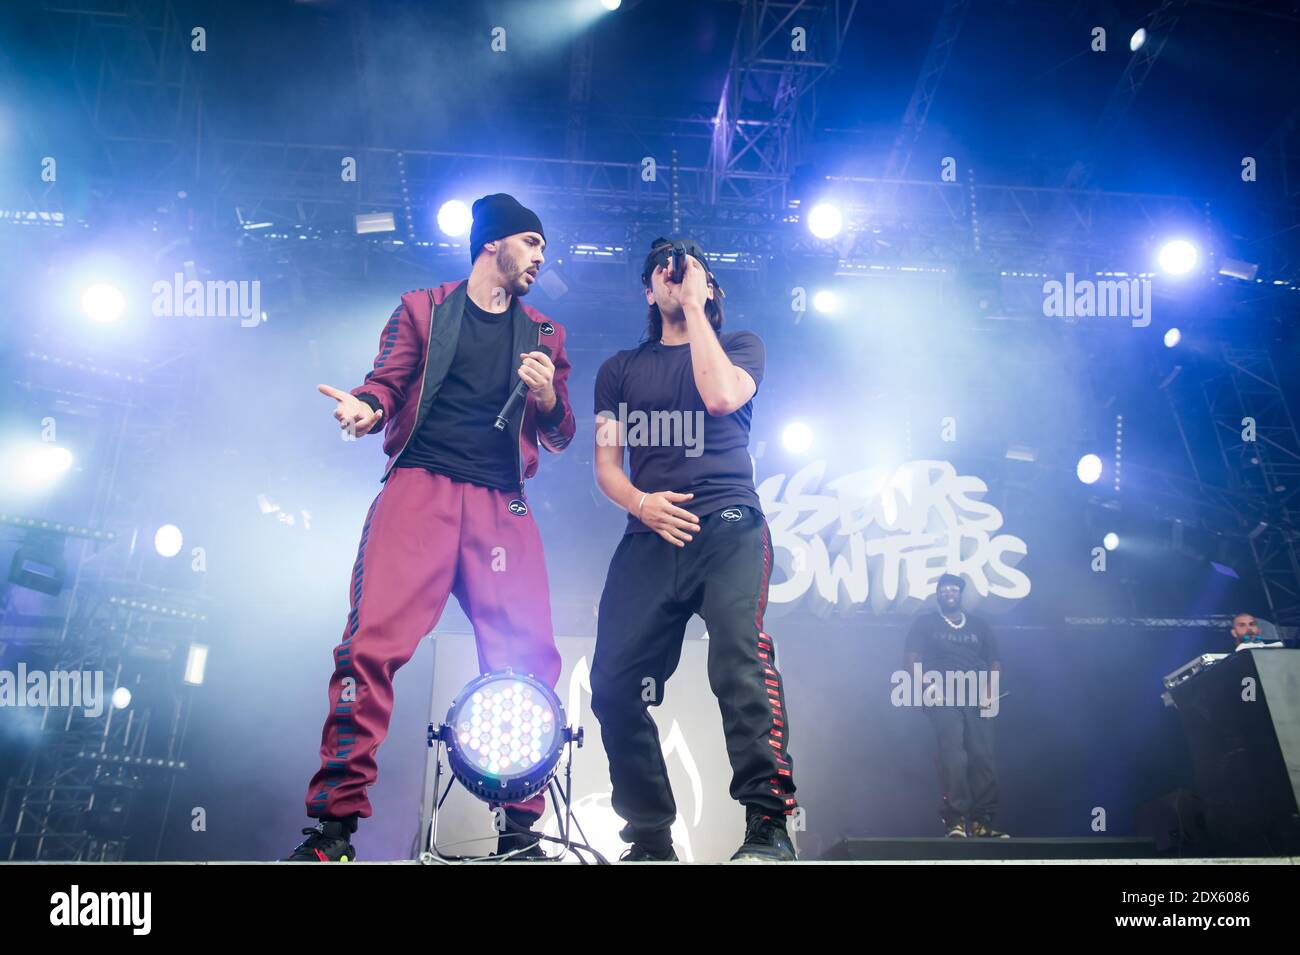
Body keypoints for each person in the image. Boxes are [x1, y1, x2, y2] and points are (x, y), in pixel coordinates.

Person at [286, 194, 576, 861]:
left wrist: (547, 396)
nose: (539, 258)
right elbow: (384, 382)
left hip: (500, 504)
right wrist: (363, 408)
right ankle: (332, 831)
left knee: (525, 660)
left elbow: (560, 436)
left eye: (543, 249)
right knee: (368, 650)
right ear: (491, 244)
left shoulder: (547, 335)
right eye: (531, 242)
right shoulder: (422, 308)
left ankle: (519, 834)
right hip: (421, 489)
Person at [589, 237, 797, 862]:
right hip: (650, 532)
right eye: (662, 273)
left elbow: (720, 398)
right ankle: (650, 836)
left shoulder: (741, 346)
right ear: (647, 292)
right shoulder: (618, 369)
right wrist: (640, 504)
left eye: (688, 272)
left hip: (729, 525)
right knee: (613, 683)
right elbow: (606, 464)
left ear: (712, 289)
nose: (673, 279)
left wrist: (696, 305)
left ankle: (766, 824)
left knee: (737, 656)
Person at [904, 572, 1007, 838]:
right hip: (942, 693)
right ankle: (956, 819)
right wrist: (928, 685)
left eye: (954, 589)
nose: (949, 592)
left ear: (960, 594)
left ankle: (983, 820)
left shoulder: (979, 625)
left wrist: (989, 693)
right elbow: (911, 659)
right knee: (954, 757)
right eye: (944, 589)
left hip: (975, 694)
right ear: (938, 594)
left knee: (983, 757)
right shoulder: (925, 623)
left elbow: (994, 661)